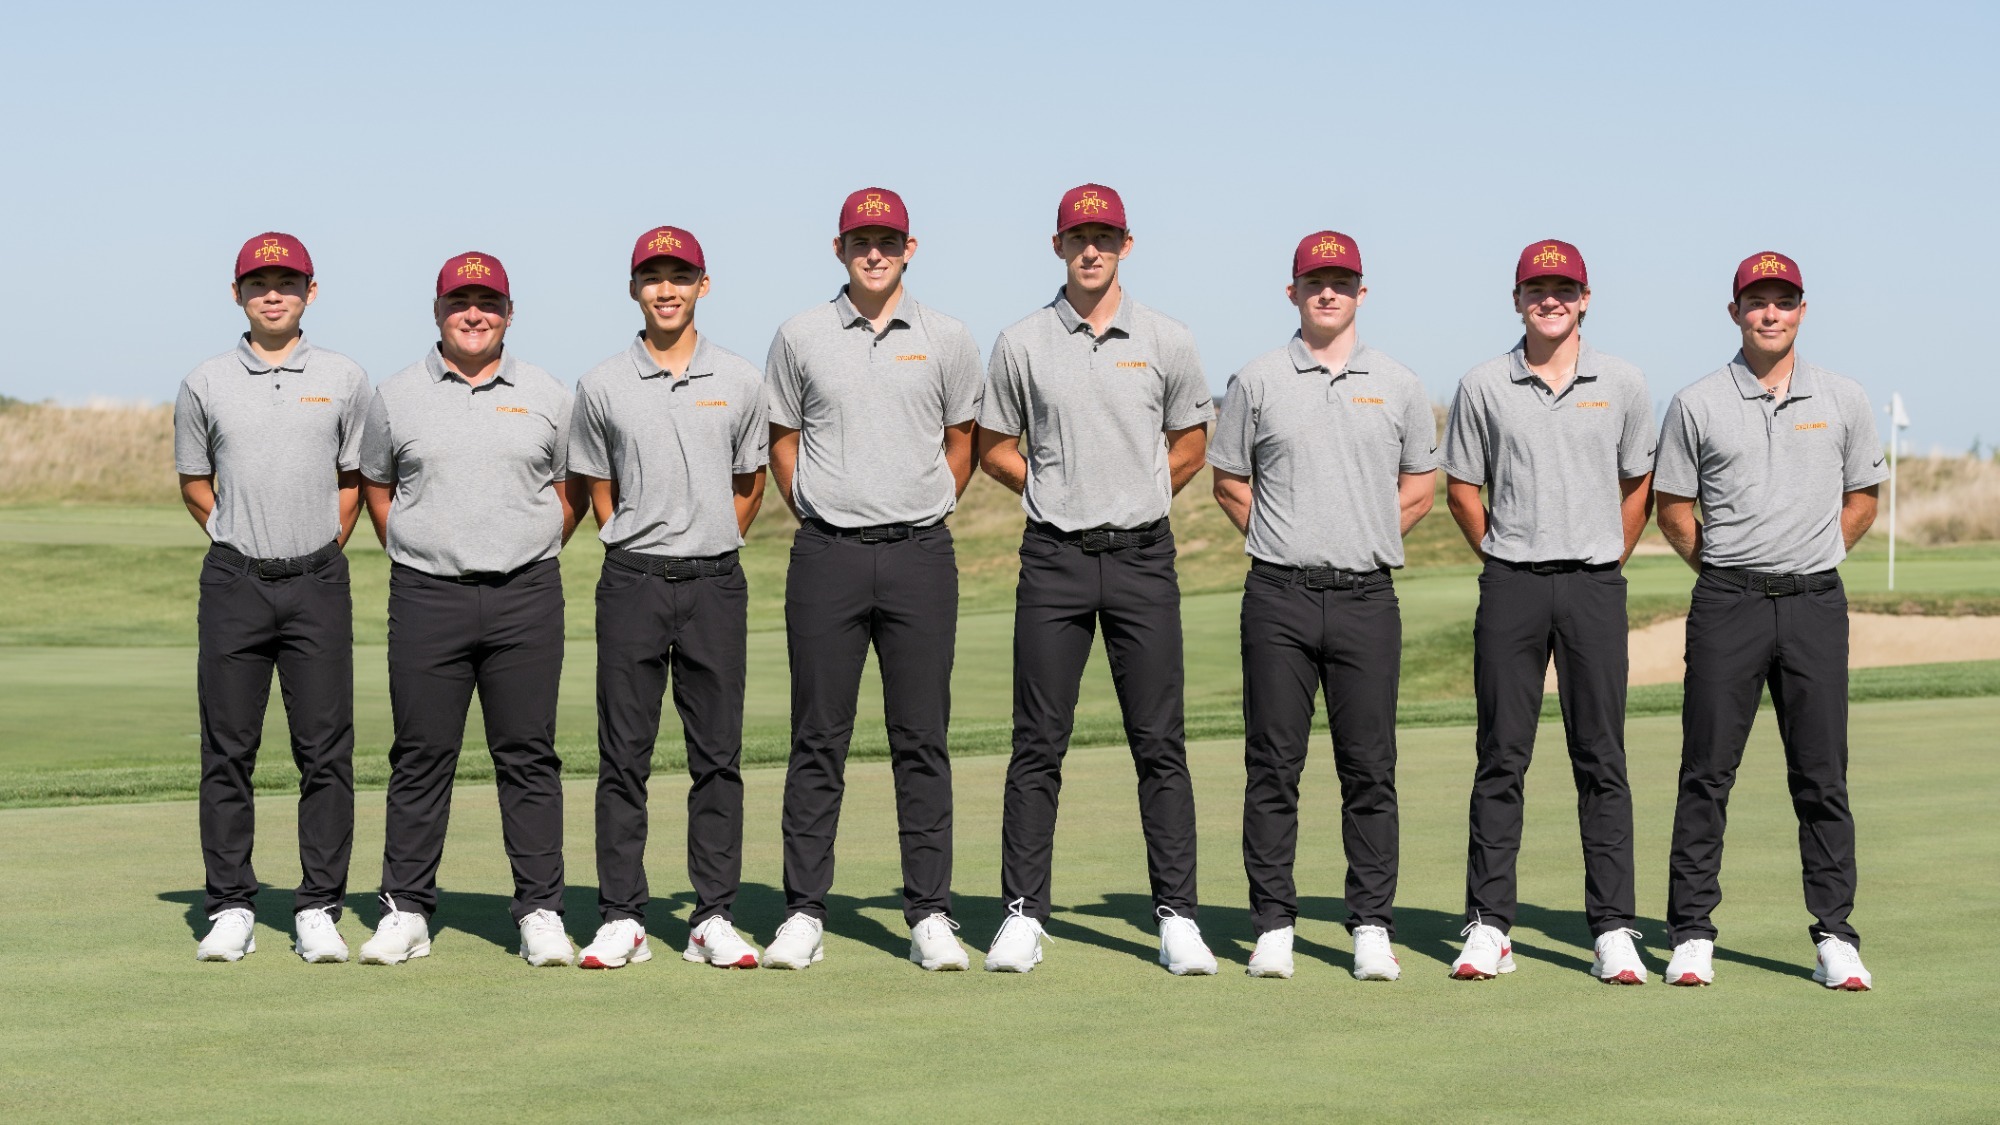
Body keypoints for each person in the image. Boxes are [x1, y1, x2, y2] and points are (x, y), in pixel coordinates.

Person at [975, 183, 1217, 975]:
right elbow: (994, 444)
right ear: (1057, 245)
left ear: (1126, 245)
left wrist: (1146, 495)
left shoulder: (1167, 338)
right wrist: (1047, 488)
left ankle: (1178, 915)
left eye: (1105, 236)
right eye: (1079, 236)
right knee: (1037, 743)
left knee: (1160, 744)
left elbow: (1190, 439)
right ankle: (1021, 913)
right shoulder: (1021, 341)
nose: (1092, 248)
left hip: (1143, 555)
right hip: (1054, 557)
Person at [761, 188, 983, 972]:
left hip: (921, 553)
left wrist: (929, 501)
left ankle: (928, 912)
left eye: (888, 240)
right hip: (828, 555)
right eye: (862, 240)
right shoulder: (800, 335)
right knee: (818, 737)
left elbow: (963, 439)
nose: (875, 252)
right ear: (839, 248)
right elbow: (782, 438)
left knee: (920, 739)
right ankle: (804, 912)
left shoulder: (948, 336)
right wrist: (817, 503)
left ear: (909, 248)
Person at [1209, 231, 1437, 980]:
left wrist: (1366, 534)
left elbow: (1419, 487)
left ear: (1361, 292)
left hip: (1368, 595)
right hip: (1277, 593)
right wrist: (1283, 538)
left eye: (1341, 281)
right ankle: (1273, 922)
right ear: (1293, 291)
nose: (1327, 292)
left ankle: (1370, 923)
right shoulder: (1257, 378)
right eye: (1315, 281)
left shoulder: (1399, 383)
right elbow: (1230, 480)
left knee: (1369, 767)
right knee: (1273, 765)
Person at [1653, 251, 1885, 990]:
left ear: (1802, 310)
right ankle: (1691, 932)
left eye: (1783, 300)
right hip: (1729, 601)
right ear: (1735, 313)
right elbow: (1675, 509)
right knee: (1706, 772)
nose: (1770, 312)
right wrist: (1728, 570)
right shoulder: (1696, 402)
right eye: (1757, 301)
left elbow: (1863, 496)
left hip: (1815, 601)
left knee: (1822, 775)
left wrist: (1812, 555)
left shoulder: (1844, 397)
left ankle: (1835, 933)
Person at [354, 252, 585, 968]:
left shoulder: (550, 393)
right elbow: (377, 488)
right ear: (437, 311)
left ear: (509, 313)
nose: (474, 314)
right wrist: (421, 549)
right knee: (421, 755)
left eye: (488, 302)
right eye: (461, 302)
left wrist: (534, 541)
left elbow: (570, 488)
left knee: (529, 755)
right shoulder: (394, 396)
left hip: (526, 593)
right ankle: (407, 908)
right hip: (427, 594)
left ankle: (541, 909)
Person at [1439, 239, 1655, 984]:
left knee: (1602, 759)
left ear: (1586, 297)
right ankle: (1490, 924)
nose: (1550, 299)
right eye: (1537, 287)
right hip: (1513, 584)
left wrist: (1606, 555)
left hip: (1595, 584)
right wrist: (1502, 551)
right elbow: (1463, 487)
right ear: (1517, 298)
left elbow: (1639, 483)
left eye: (1564, 288)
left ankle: (1614, 929)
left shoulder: (1622, 382)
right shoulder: (1482, 384)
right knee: (1502, 755)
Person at [569, 226, 768, 970]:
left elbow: (748, 485)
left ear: (702, 285)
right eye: (652, 277)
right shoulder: (601, 383)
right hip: (633, 580)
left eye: (679, 276)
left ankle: (712, 914)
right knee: (625, 755)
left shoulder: (743, 379)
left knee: (717, 755)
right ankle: (622, 915)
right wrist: (641, 537)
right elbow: (597, 487)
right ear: (634, 290)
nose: (666, 289)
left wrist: (706, 535)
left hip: (715, 580)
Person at [175, 232, 369, 963]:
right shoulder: (204, 380)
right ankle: (230, 905)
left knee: (325, 751)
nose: (273, 293)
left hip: (318, 578)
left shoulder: (346, 377)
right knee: (228, 748)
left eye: (286, 281)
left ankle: (318, 904)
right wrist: (234, 534)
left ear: (310, 292)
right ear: (238, 295)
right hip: (235, 581)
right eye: (259, 283)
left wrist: (322, 542)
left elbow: (353, 479)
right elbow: (196, 481)